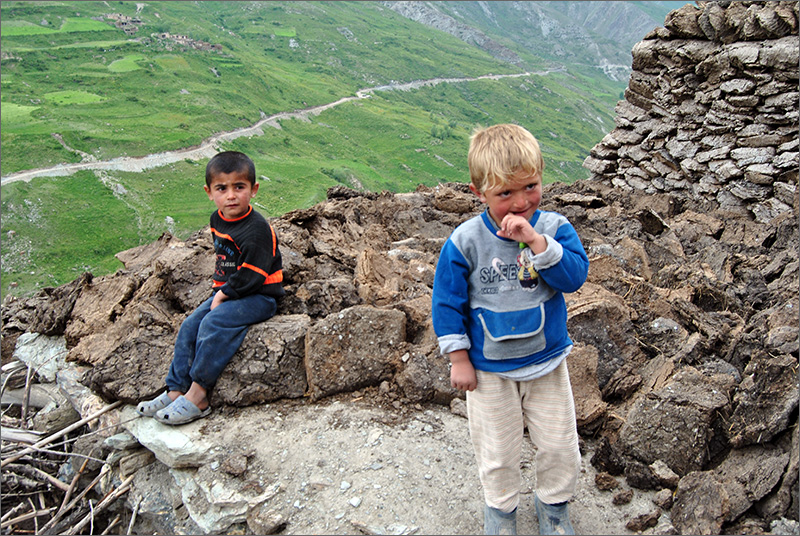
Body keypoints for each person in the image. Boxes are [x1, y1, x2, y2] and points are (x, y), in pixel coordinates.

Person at [432, 124, 589, 535]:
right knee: (498, 451)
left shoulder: (554, 229)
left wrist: (538, 243)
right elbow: (447, 303)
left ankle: (553, 507)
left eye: (531, 186)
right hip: (488, 370)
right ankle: (500, 513)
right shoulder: (464, 242)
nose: (521, 202)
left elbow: (574, 278)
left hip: (547, 362)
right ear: (478, 191)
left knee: (558, 445)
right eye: (505, 194)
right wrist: (459, 358)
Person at [136, 151, 284, 425]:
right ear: (209, 192)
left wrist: (225, 294)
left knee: (212, 324)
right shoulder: (218, 219)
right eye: (222, 188)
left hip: (260, 296)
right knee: (190, 325)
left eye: (239, 187)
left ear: (253, 189)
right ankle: (175, 389)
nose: (231, 196)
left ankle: (198, 396)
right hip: (229, 292)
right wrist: (222, 292)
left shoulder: (257, 229)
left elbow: (254, 273)